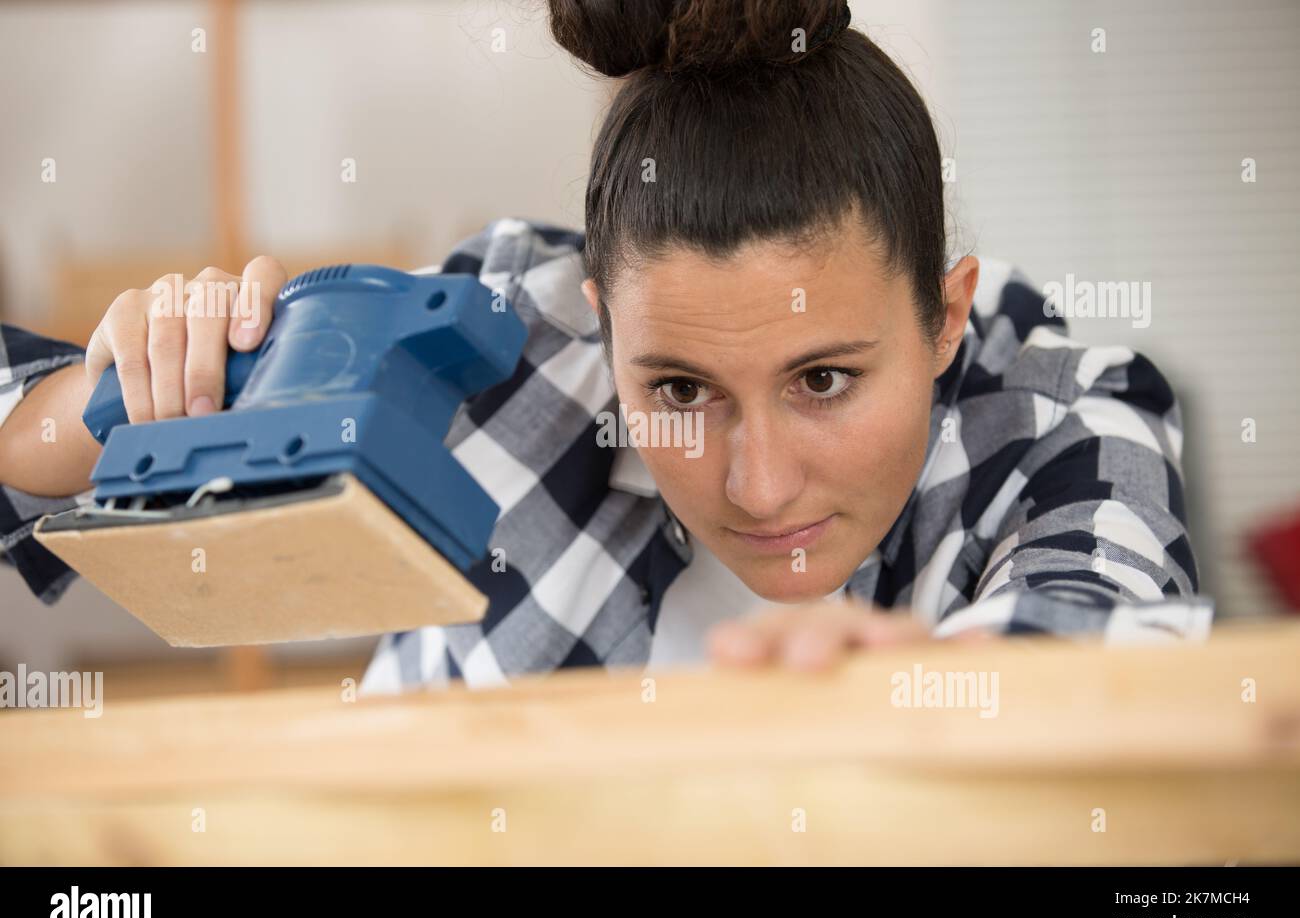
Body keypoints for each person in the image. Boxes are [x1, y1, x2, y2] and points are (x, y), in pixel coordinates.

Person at [0, 0, 1210, 692]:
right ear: (599, 311)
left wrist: (922, 690)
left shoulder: (1069, 411)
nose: (760, 484)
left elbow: (1110, 645)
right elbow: (23, 446)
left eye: (825, 379)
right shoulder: (502, 335)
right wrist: (107, 392)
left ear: (945, 315)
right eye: (677, 385)